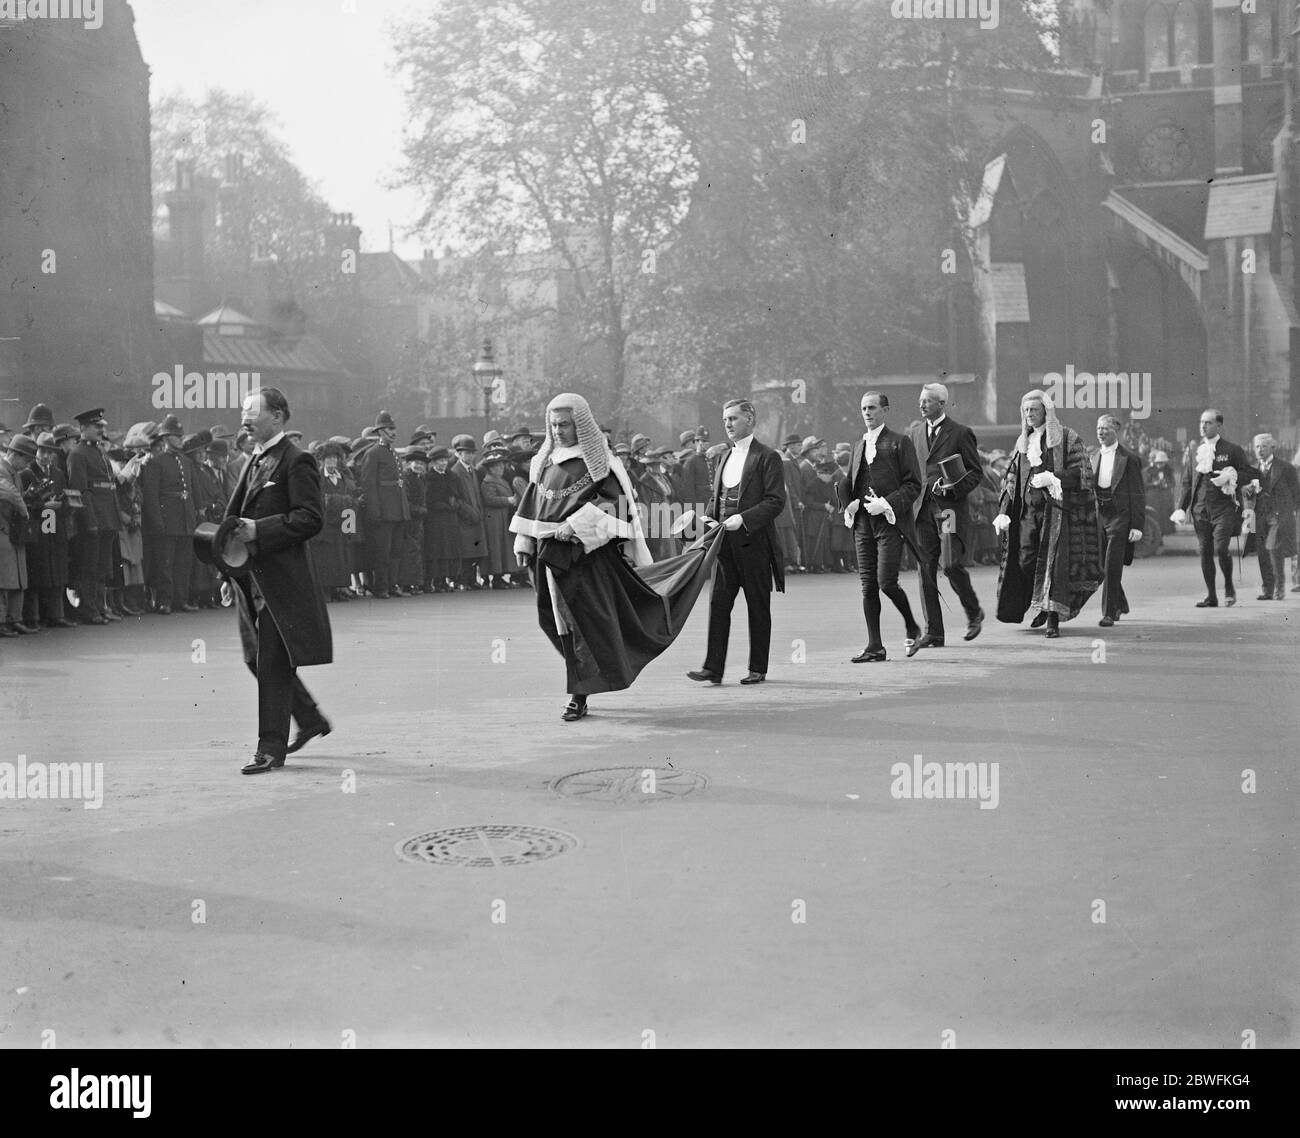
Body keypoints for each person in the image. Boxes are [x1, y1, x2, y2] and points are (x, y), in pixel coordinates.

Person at [512, 393, 720, 719]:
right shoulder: (546, 462)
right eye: (553, 425)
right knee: (555, 624)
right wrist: (524, 540)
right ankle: (583, 682)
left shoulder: (602, 464)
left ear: (579, 423)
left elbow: (616, 506)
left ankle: (579, 695)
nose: (558, 431)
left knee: (583, 626)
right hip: (546, 559)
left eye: (564, 424)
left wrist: (576, 525)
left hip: (584, 559)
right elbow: (533, 504)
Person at [226, 387, 333, 774]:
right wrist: (228, 571)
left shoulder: (296, 459)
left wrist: (261, 530)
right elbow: (233, 516)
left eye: (252, 411)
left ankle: (270, 749)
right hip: (249, 579)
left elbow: (310, 518)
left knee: (271, 662)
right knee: (258, 658)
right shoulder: (253, 459)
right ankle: (309, 718)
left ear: (277, 416)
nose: (245, 417)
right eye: (243, 411)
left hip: (281, 581)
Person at [687, 398, 786, 685]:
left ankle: (758, 668)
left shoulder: (768, 457)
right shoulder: (723, 457)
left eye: (733, 418)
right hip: (724, 545)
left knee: (757, 605)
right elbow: (715, 499)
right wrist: (707, 521)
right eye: (725, 419)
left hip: (753, 543)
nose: (728, 424)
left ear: (750, 420)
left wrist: (743, 519)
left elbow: (775, 501)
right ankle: (713, 668)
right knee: (718, 604)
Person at [992, 389, 1102, 637]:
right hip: (1027, 514)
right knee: (1025, 561)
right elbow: (1010, 480)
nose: (1030, 414)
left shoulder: (1066, 438)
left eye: (1034, 410)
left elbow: (1083, 473)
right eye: (1026, 410)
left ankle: (1052, 619)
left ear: (1046, 412)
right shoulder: (1022, 443)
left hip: (1056, 514)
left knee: (1053, 565)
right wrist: (1003, 511)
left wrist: (1055, 477)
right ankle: (1041, 603)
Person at [842, 391, 922, 661]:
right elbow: (848, 482)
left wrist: (887, 503)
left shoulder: (900, 442)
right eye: (864, 408)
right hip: (863, 523)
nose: (867, 413)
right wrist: (848, 503)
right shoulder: (857, 446)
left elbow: (913, 485)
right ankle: (875, 646)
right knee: (868, 586)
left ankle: (912, 626)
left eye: (873, 408)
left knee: (886, 582)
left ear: (885, 411)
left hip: (889, 522)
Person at [1171, 409, 1249, 608]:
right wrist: (1181, 507)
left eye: (1208, 422)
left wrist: (1231, 475)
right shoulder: (1193, 450)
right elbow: (1188, 482)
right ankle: (1211, 596)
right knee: (1205, 552)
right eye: (1201, 422)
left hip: (1224, 508)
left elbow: (1247, 472)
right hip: (1200, 509)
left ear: (1219, 425)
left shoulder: (1232, 449)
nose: (1203, 426)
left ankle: (1229, 588)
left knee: (1221, 549)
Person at [66, 409, 121, 624]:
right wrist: (90, 521)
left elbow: (110, 487)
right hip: (93, 520)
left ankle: (100, 606)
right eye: (97, 427)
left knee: (103, 566)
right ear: (83, 429)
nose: (101, 430)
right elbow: (81, 490)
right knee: (89, 566)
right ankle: (89, 609)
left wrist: (114, 517)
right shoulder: (77, 454)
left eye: (102, 427)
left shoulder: (99, 451)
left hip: (107, 518)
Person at [138, 414, 197, 615]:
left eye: (180, 435)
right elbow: (151, 496)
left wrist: (192, 518)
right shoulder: (156, 462)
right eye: (175, 435)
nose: (180, 438)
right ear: (164, 439)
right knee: (165, 563)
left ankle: (181, 600)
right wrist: (157, 521)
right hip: (167, 519)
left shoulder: (186, 461)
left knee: (183, 562)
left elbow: (192, 493)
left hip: (185, 518)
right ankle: (164, 601)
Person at [1092, 414, 1146, 627]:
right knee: (1100, 566)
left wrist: (1137, 525)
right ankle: (1120, 603)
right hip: (1099, 516)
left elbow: (1138, 493)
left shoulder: (1129, 458)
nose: (1101, 432)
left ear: (1116, 430)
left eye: (1105, 428)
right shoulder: (1093, 455)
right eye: (1098, 428)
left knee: (1113, 565)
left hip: (1120, 517)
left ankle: (1109, 612)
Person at [357, 411, 409, 599]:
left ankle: (391, 584)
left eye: (394, 428)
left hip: (397, 509)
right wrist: (375, 511)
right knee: (382, 553)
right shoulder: (373, 453)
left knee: (395, 551)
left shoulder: (393, 452)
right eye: (389, 429)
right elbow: (368, 485)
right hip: (384, 511)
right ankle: (381, 587)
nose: (393, 432)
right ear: (380, 431)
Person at [1243, 433, 1299, 601]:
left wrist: (1289, 513)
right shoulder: (1251, 469)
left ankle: (1279, 588)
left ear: (1272, 448)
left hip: (1278, 516)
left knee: (1274, 549)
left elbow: (1296, 493)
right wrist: (1249, 489)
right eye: (1257, 447)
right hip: (1259, 516)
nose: (1260, 450)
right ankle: (1268, 590)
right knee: (1262, 553)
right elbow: (1244, 493)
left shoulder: (1285, 467)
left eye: (1264, 446)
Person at [0, 434, 36, 636]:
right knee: (3, 579)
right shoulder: (2, 469)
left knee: (19, 577)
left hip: (13, 531)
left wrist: (27, 498)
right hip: (2, 529)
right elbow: (10, 494)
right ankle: (2, 621)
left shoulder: (14, 472)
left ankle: (15, 618)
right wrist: (24, 508)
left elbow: (17, 495)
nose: (26, 465)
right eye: (26, 459)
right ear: (14, 454)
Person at [450, 434, 487, 588]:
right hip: (464, 517)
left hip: (475, 516)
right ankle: (462, 580)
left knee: (474, 551)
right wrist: (468, 511)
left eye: (472, 453)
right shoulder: (455, 471)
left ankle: (471, 579)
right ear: (458, 454)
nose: (470, 456)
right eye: (467, 453)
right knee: (465, 552)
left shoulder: (472, 470)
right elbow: (455, 498)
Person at [479, 448, 518, 588]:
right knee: (495, 547)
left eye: (502, 465)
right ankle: (495, 576)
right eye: (497, 466)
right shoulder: (488, 482)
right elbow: (489, 499)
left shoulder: (500, 480)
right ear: (490, 469)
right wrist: (508, 500)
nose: (501, 468)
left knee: (500, 547)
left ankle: (498, 575)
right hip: (493, 519)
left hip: (501, 517)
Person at [424, 446, 461, 592]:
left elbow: (459, 495)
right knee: (437, 550)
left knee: (449, 551)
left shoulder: (452, 476)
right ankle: (437, 580)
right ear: (433, 462)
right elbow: (429, 499)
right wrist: (446, 505)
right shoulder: (429, 477)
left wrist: (455, 504)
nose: (443, 463)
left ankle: (445, 579)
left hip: (450, 519)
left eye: (445, 460)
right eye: (440, 461)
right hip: (436, 519)